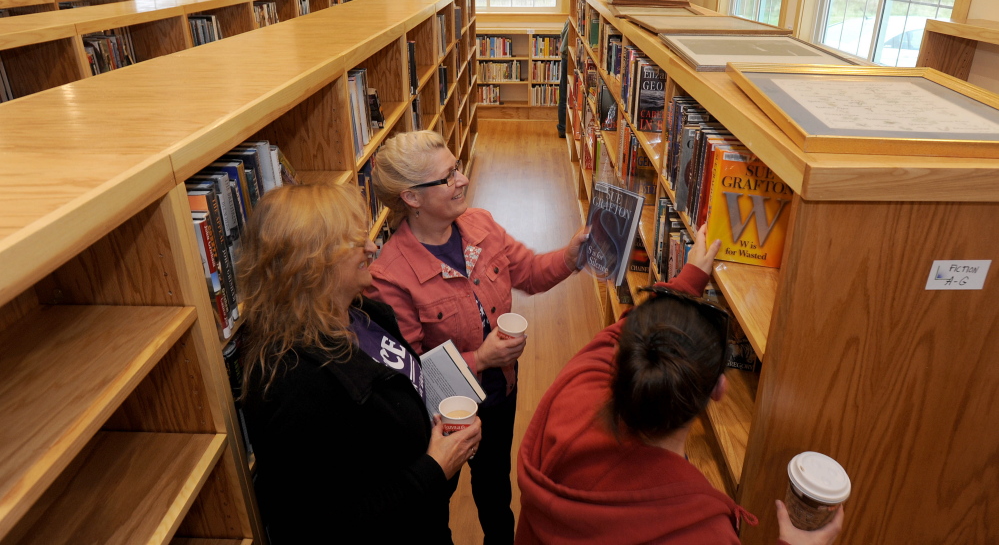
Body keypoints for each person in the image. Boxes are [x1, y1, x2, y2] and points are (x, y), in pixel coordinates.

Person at [516, 225, 845, 545]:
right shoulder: (700, 531)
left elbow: (623, 330)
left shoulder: (576, 386)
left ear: (622, 358)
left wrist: (689, 278)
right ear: (719, 389)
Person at [366, 130, 587, 545]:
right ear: (412, 198)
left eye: (458, 168)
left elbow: (531, 273)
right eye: (448, 176)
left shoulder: (480, 225)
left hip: (501, 392)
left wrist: (570, 257)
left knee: (495, 488)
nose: (463, 180)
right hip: (442, 422)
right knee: (436, 505)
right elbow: (409, 377)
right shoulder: (389, 276)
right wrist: (480, 359)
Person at [237, 183, 482, 544]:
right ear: (313, 262)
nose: (372, 247)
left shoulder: (365, 313)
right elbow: (322, 526)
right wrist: (434, 468)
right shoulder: (292, 380)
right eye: (355, 242)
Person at [556, 17, 570, 139]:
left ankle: (563, 127)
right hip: (569, 57)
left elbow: (561, 35)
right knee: (565, 95)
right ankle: (564, 127)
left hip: (565, 56)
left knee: (564, 94)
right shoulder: (575, 19)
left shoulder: (569, 19)